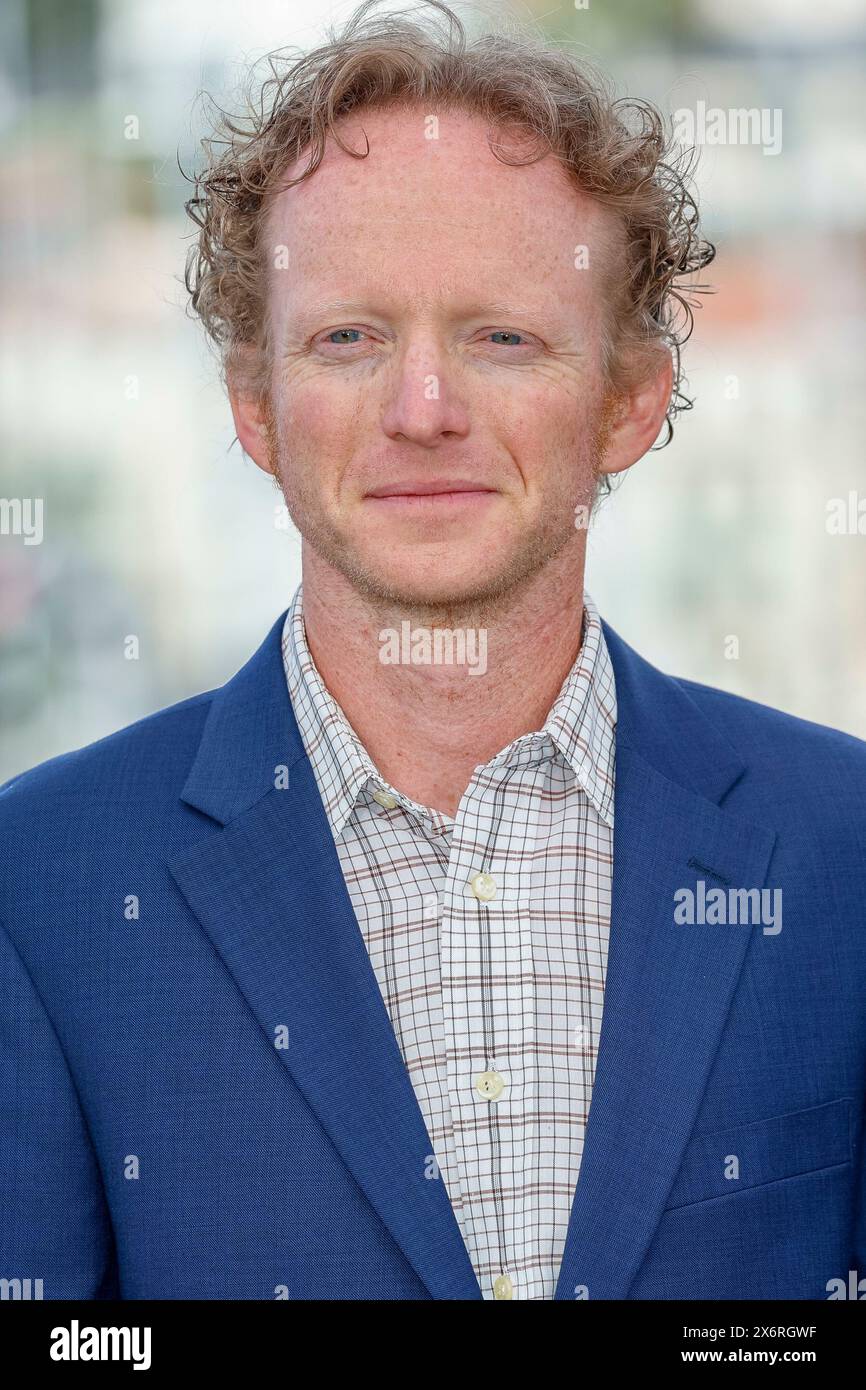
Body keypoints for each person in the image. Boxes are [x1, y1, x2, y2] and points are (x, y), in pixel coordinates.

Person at [1, 0, 864, 1302]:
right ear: (254, 406)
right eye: (348, 338)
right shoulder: (37, 889)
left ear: (629, 400)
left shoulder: (841, 847)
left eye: (500, 336)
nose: (422, 411)